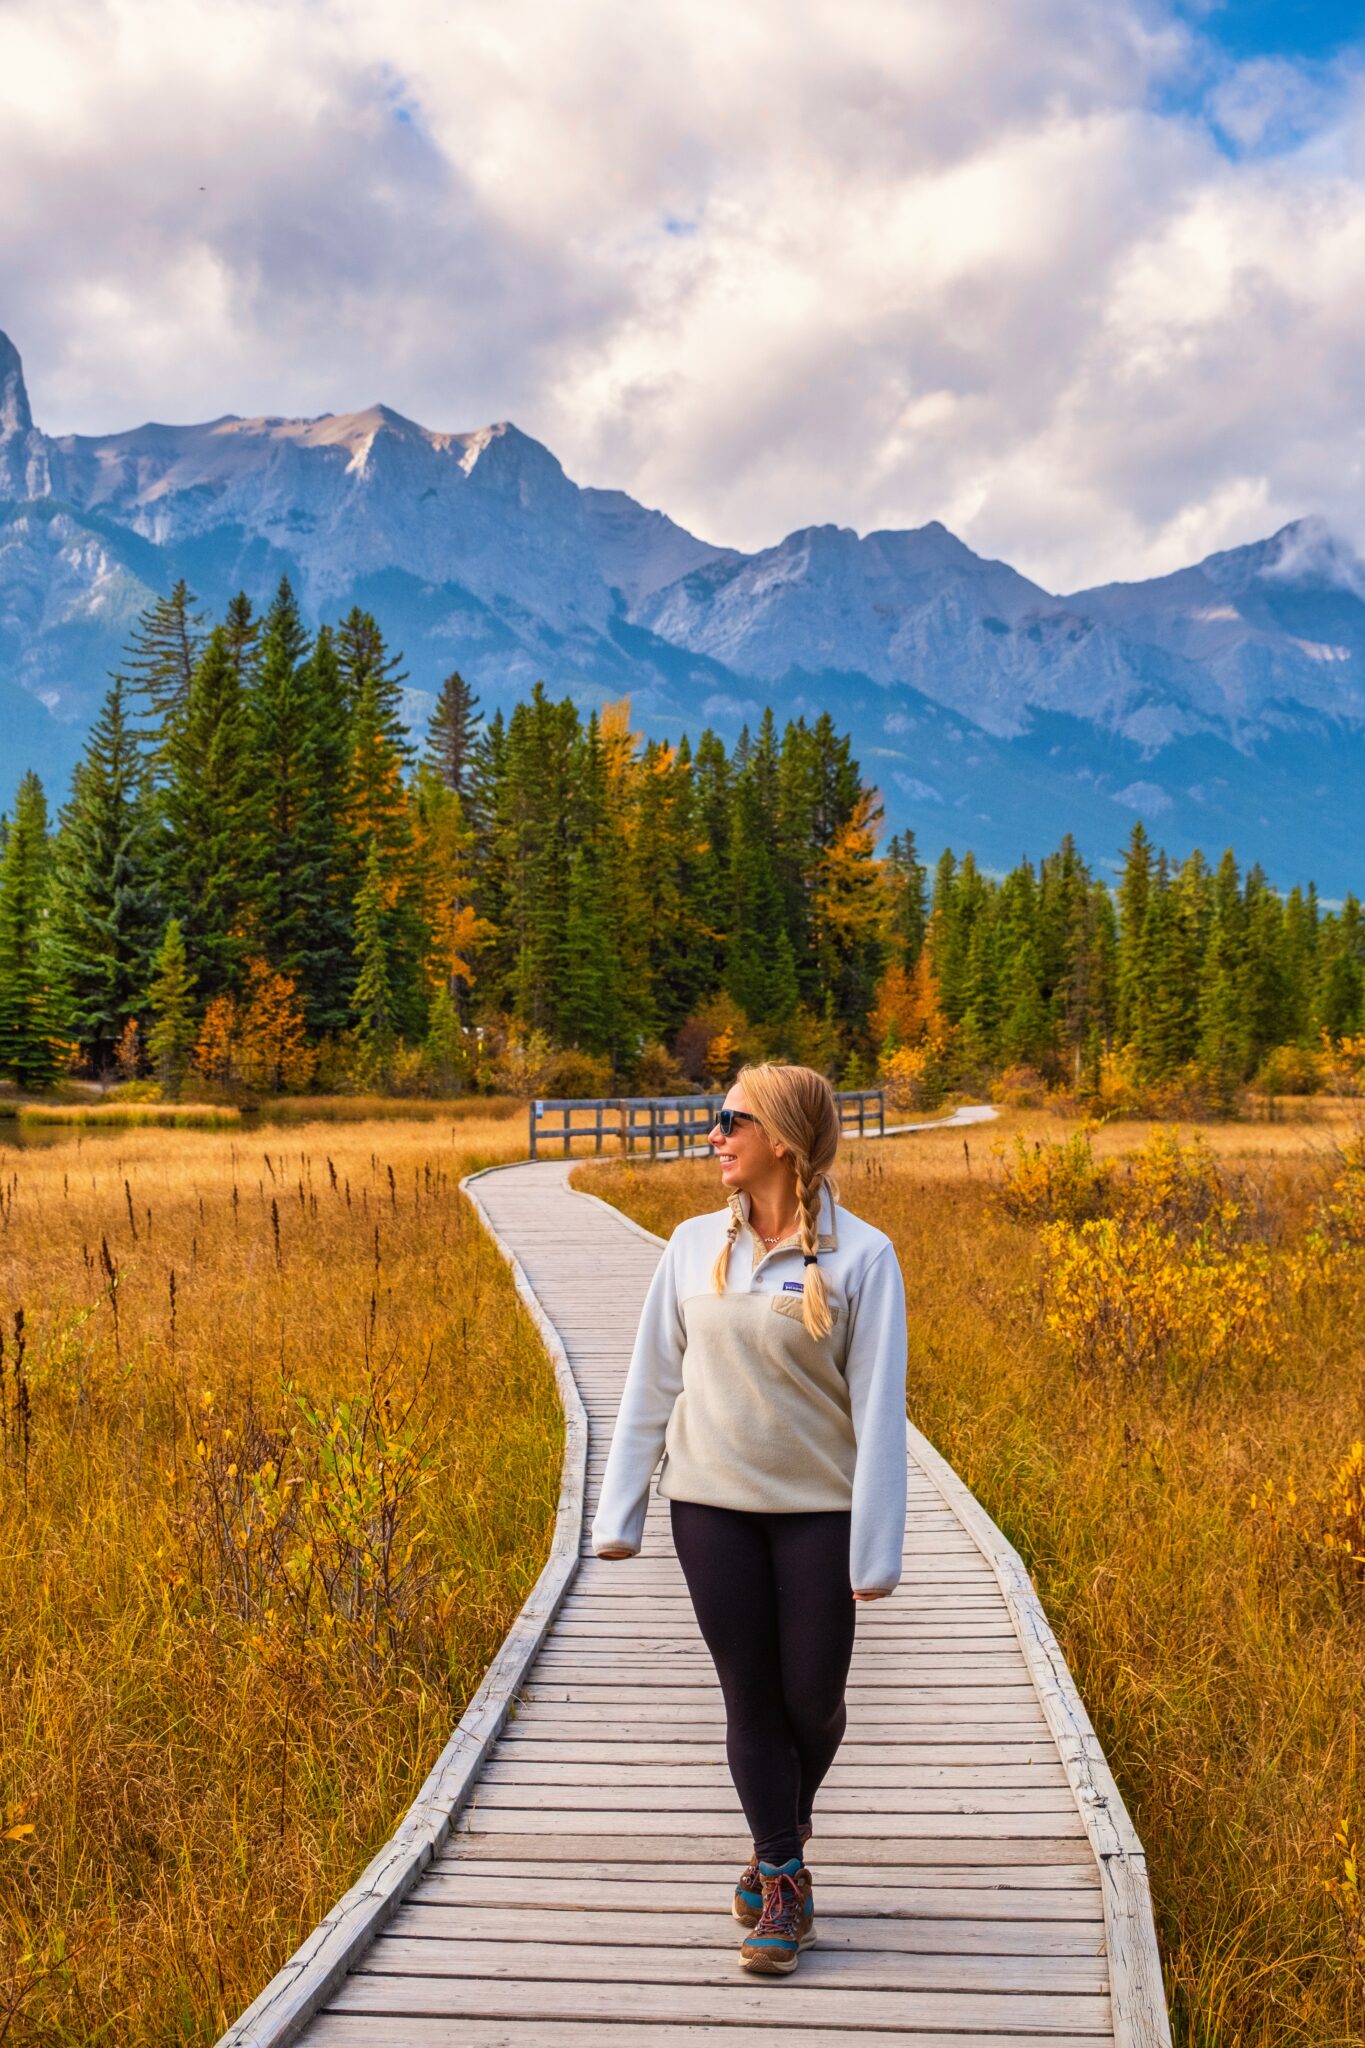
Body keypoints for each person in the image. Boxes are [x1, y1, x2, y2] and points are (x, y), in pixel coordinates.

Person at [591, 1062, 909, 1977]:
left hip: (818, 1511)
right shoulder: (692, 1246)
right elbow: (652, 1380)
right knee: (749, 1694)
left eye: (730, 1120)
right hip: (710, 1507)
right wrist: (623, 1515)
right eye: (714, 1118)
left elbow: (879, 1409)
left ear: (781, 1138)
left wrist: (875, 1550)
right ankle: (782, 1878)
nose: (713, 1133)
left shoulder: (863, 1256)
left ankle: (782, 1823)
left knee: (811, 1698)